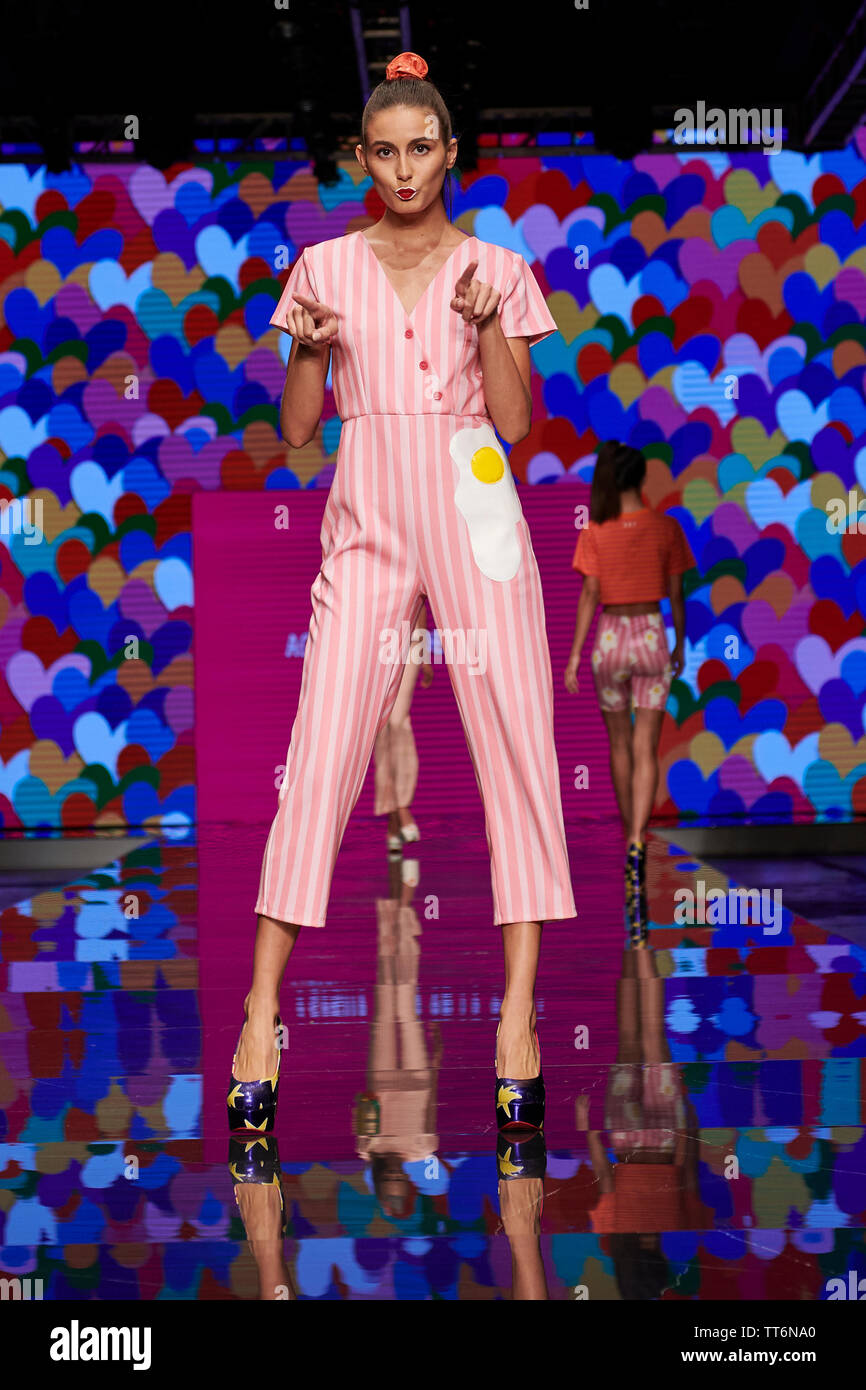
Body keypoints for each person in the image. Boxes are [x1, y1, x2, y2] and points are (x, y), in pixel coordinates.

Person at [226, 50, 576, 1137]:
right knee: (322, 748)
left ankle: (516, 1019)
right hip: (369, 503)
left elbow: (517, 428)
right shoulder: (322, 269)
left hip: (475, 496)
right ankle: (256, 1012)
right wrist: (306, 357)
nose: (404, 167)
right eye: (385, 151)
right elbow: (293, 433)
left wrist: (483, 327)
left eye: (421, 147)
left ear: (449, 152)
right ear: (363, 158)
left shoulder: (499, 265)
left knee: (517, 741)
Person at [564, 441, 694, 934]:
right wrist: (680, 642)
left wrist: (576, 655)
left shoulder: (596, 530)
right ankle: (640, 837)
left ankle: (629, 838)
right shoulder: (666, 527)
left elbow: (589, 596)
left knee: (619, 745)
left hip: (611, 640)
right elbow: (677, 595)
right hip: (651, 636)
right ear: (641, 477)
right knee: (646, 747)